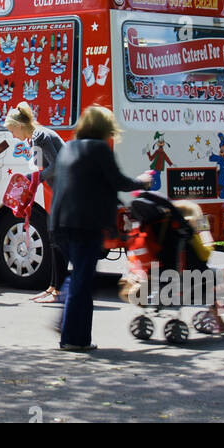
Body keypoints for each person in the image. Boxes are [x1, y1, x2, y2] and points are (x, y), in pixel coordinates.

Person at [50, 105, 152, 352]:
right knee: (83, 284)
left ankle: (65, 323)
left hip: (59, 223)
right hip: (84, 224)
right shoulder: (99, 149)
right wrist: (142, 182)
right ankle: (75, 339)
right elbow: (116, 180)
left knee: (79, 277)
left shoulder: (69, 147)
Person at [3, 101, 68, 303]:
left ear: (20, 126)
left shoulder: (40, 136)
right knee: (53, 237)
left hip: (68, 190)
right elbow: (42, 168)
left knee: (57, 240)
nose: (12, 136)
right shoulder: (36, 137)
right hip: (63, 190)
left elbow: (57, 165)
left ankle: (57, 290)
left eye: (12, 131)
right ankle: (52, 287)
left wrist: (35, 178)